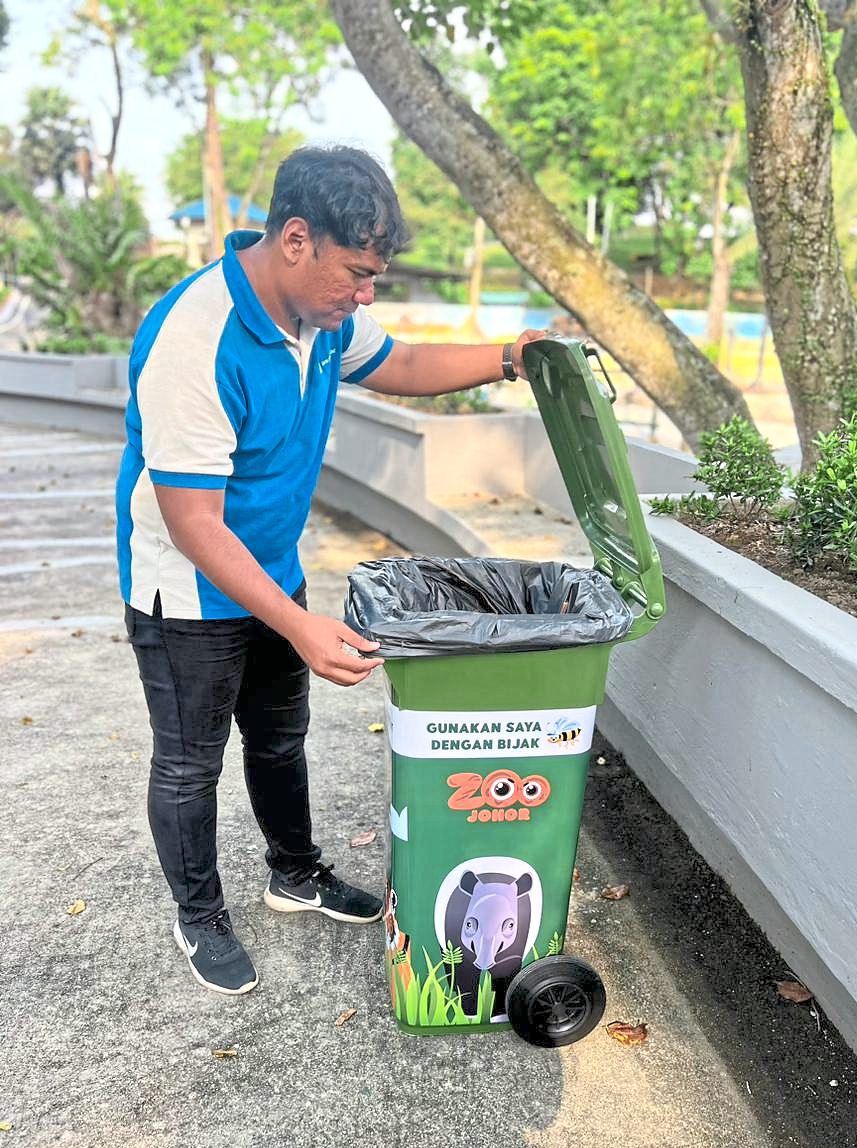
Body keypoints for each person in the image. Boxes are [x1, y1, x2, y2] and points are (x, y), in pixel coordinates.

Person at [115, 145, 546, 996]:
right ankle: (199, 914)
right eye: (357, 272)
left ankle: (295, 873)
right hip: (184, 586)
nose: (365, 295)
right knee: (188, 761)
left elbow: (408, 367)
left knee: (280, 737)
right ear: (297, 239)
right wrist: (302, 625)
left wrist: (512, 356)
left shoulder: (326, 317)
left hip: (271, 566)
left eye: (375, 276)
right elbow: (193, 523)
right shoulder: (196, 340)